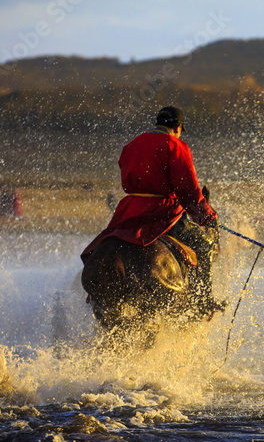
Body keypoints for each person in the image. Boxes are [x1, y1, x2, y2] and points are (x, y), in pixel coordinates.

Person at [81, 106, 224, 316]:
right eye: (179, 130)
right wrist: (207, 216)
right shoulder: (176, 146)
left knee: (107, 241)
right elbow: (189, 190)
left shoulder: (132, 145)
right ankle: (202, 303)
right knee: (205, 246)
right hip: (162, 212)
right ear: (177, 128)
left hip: (129, 210)